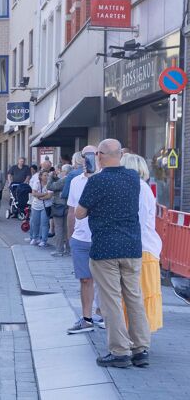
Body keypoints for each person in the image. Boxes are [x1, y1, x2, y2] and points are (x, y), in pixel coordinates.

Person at [73, 140, 150, 368]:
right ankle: (141, 348)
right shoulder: (133, 178)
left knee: (111, 301)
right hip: (132, 248)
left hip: (105, 249)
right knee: (134, 297)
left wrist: (89, 184)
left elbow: (79, 214)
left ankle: (119, 351)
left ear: (100, 156)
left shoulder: (96, 181)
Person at [121, 153, 162, 334]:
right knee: (137, 295)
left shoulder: (139, 189)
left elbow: (138, 221)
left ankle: (138, 337)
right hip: (143, 248)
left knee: (138, 296)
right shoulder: (141, 188)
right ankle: (137, 336)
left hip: (141, 249)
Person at [66, 145, 102, 334]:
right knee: (85, 280)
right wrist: (70, 236)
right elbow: (72, 210)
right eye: (85, 155)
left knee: (105, 280)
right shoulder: (75, 181)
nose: (88, 158)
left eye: (93, 154)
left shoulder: (105, 179)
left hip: (102, 238)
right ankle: (87, 318)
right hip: (80, 239)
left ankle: (102, 314)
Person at [50, 164, 72, 257]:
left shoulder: (64, 179)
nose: (59, 172)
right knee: (67, 229)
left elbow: (50, 187)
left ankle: (59, 250)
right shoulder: (72, 178)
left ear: (64, 171)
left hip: (59, 206)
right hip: (68, 206)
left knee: (58, 228)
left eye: (60, 171)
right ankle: (68, 249)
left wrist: (51, 177)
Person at [29, 169, 53, 247]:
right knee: (35, 223)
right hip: (35, 206)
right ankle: (35, 238)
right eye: (45, 175)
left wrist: (40, 196)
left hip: (46, 206)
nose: (46, 177)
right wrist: (44, 194)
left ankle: (43, 240)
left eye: (47, 175)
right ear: (40, 176)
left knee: (44, 224)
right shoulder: (37, 183)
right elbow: (34, 193)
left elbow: (49, 196)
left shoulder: (50, 184)